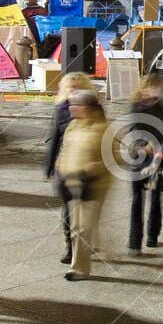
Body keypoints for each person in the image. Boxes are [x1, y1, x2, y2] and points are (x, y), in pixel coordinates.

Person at [60, 90, 111, 281]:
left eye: (75, 104)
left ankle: (80, 269)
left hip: (94, 187)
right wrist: (61, 168)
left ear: (87, 107)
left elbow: (113, 159)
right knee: (76, 228)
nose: (71, 108)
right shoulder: (73, 126)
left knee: (82, 229)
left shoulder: (103, 129)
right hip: (73, 184)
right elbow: (65, 151)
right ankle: (87, 255)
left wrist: (90, 168)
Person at [43, 72, 93, 265]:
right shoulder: (61, 109)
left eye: (79, 88)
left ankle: (84, 243)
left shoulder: (92, 109)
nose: (74, 92)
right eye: (71, 88)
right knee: (68, 209)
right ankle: (69, 246)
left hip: (86, 166)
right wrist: (48, 166)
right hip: (65, 165)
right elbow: (54, 138)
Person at [127, 74, 163, 251]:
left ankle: (152, 236)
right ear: (142, 88)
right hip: (139, 158)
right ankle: (134, 240)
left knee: (156, 198)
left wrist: (157, 147)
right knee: (136, 200)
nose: (152, 90)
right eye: (149, 86)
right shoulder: (136, 107)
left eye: (155, 87)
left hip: (158, 159)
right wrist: (142, 147)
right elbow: (134, 131)